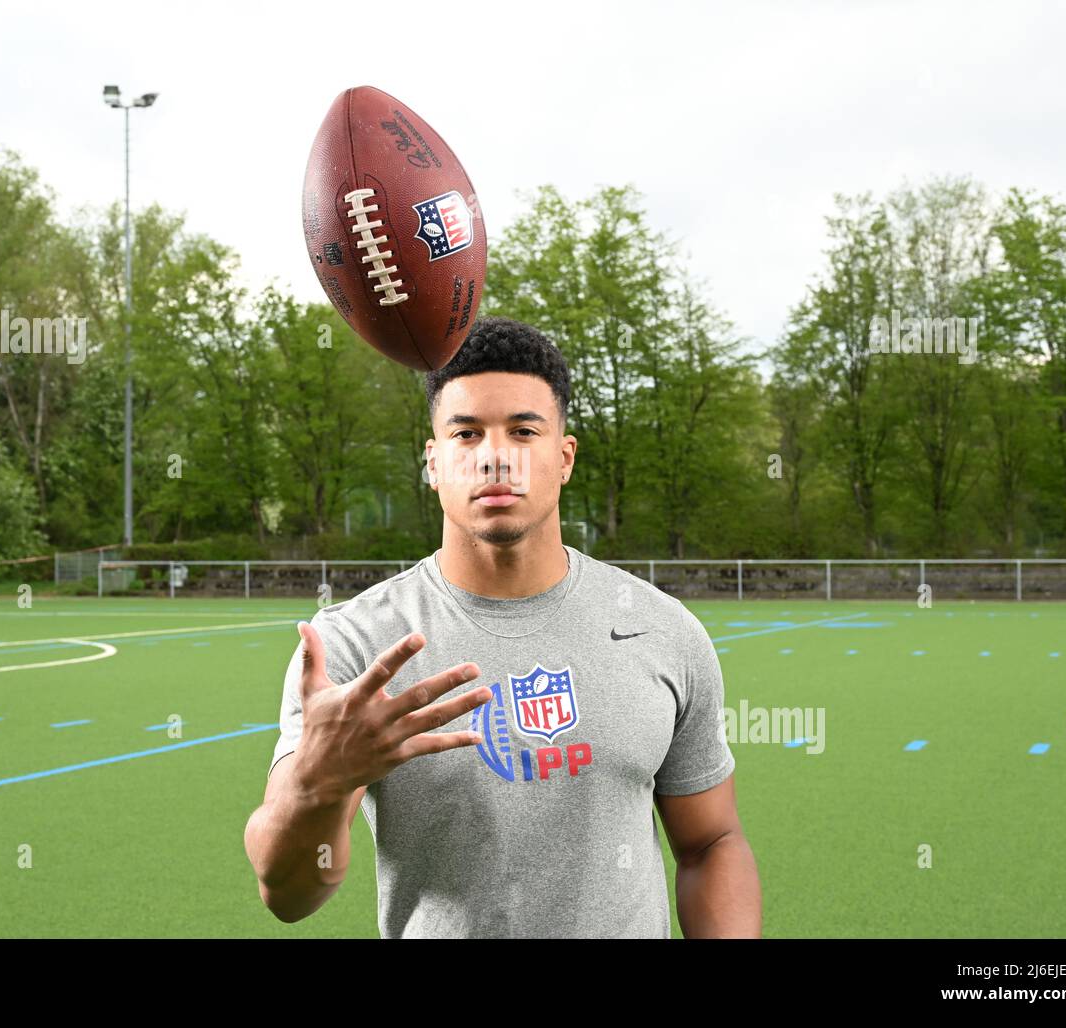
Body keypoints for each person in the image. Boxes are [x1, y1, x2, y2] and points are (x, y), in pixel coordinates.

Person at [243, 315, 761, 938]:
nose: (494, 457)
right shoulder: (353, 645)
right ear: (433, 462)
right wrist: (317, 784)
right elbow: (288, 893)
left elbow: (711, 842)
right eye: (466, 434)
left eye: (522, 431)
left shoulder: (662, 630)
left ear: (564, 457)